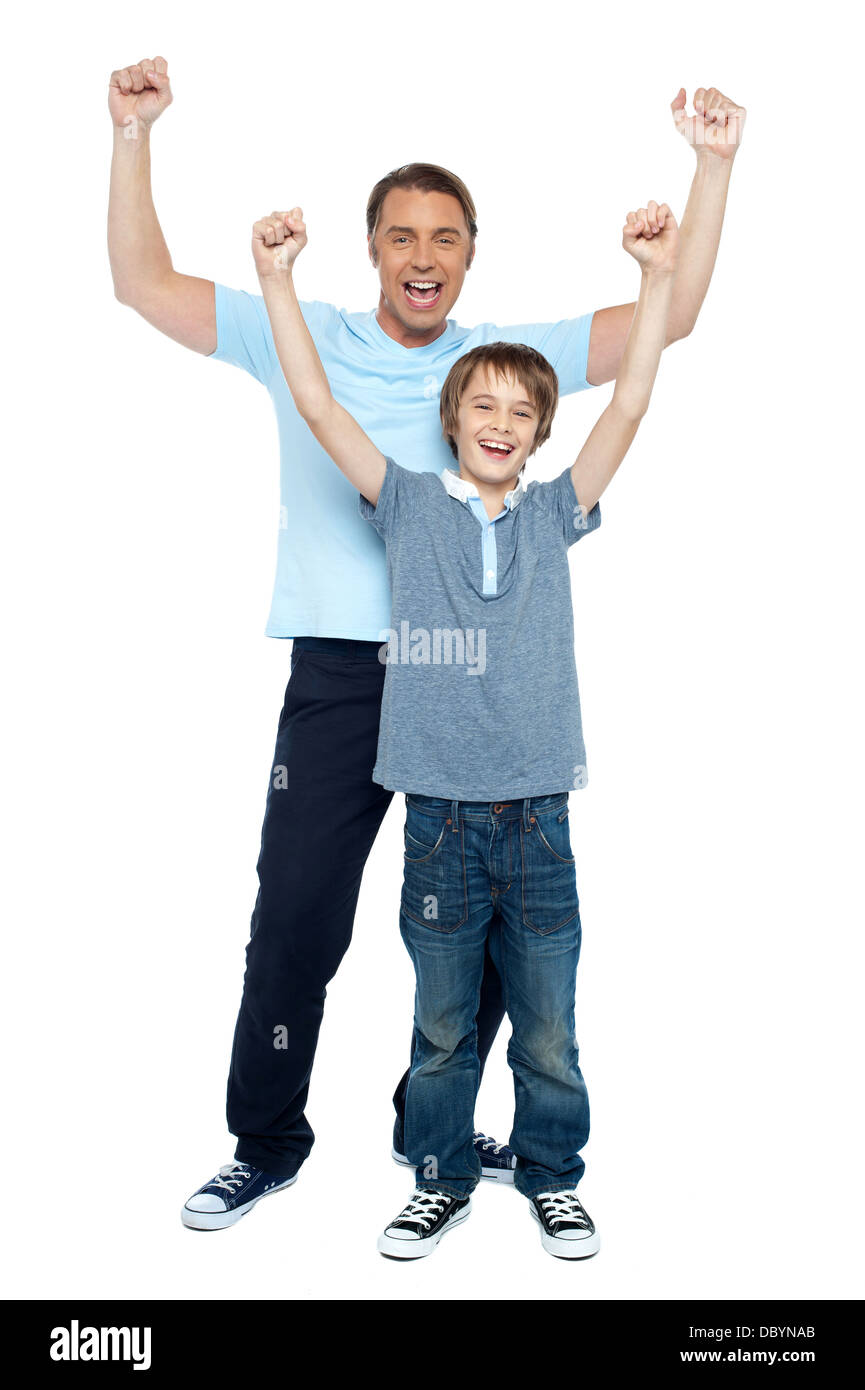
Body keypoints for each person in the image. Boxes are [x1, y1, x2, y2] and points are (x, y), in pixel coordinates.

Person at [106, 56, 744, 1231]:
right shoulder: (299, 330)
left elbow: (672, 325)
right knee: (295, 914)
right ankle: (265, 1139)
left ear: (467, 254)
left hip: (477, 685)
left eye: (444, 236)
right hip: (346, 677)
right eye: (400, 234)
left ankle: (432, 1126)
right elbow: (143, 282)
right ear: (373, 248)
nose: (422, 254)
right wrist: (135, 137)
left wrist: (710, 167)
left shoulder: (502, 365)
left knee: (495, 931)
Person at [250, 196, 677, 1258]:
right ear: (453, 421)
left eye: (520, 411)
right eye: (480, 403)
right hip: (439, 816)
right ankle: (435, 1173)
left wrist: (655, 277)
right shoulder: (409, 506)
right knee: (441, 1026)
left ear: (537, 433)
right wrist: (275, 282)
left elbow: (624, 409)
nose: (498, 420)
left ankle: (551, 1174)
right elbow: (316, 404)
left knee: (546, 1024)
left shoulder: (550, 513)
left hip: (536, 811)